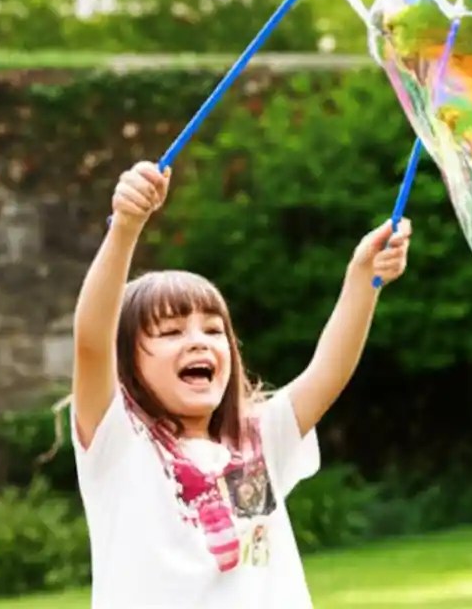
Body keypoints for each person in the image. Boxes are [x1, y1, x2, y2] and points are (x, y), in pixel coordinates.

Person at [69, 160, 412, 608]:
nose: (198, 341)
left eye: (214, 330)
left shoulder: (256, 439)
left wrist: (363, 279)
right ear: (126, 362)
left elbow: (329, 370)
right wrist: (126, 228)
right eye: (171, 332)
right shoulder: (119, 445)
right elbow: (92, 342)